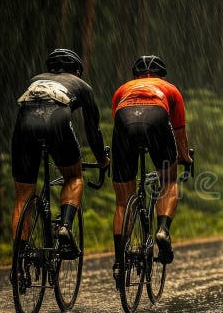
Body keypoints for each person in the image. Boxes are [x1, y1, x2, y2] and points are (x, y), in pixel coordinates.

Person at [11, 48, 110, 256]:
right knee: (74, 177)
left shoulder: (35, 80)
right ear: (76, 71)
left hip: (24, 127)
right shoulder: (82, 85)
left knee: (23, 196)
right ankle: (64, 227)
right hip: (57, 123)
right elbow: (93, 131)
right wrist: (102, 160)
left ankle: (19, 259)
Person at [111, 55, 192, 279]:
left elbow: (120, 123)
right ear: (161, 75)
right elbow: (179, 131)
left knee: (122, 201)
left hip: (124, 120)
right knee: (168, 182)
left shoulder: (123, 89)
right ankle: (163, 230)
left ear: (135, 76)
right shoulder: (170, 89)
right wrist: (184, 157)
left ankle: (119, 261)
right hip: (157, 117)